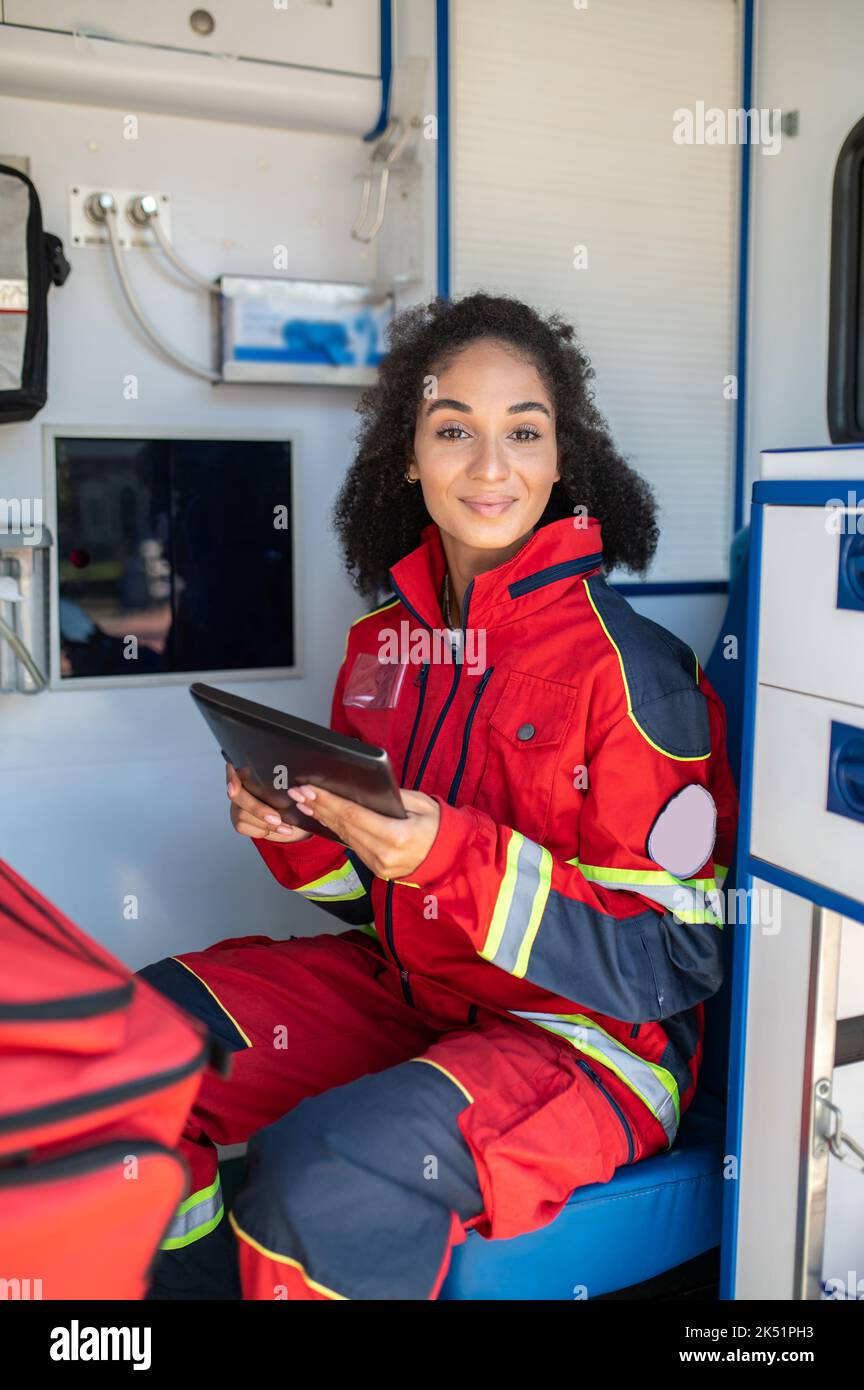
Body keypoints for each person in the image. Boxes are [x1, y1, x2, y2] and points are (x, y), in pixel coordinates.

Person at [140, 291, 738, 1301]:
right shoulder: (382, 650)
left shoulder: (636, 673)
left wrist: (449, 856)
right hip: (412, 993)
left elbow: (674, 960)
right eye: (454, 428)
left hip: (586, 1043)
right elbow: (362, 898)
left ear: (562, 463)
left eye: (524, 432)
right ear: (411, 456)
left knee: (321, 1176)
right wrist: (295, 830)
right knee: (134, 1045)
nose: (491, 463)